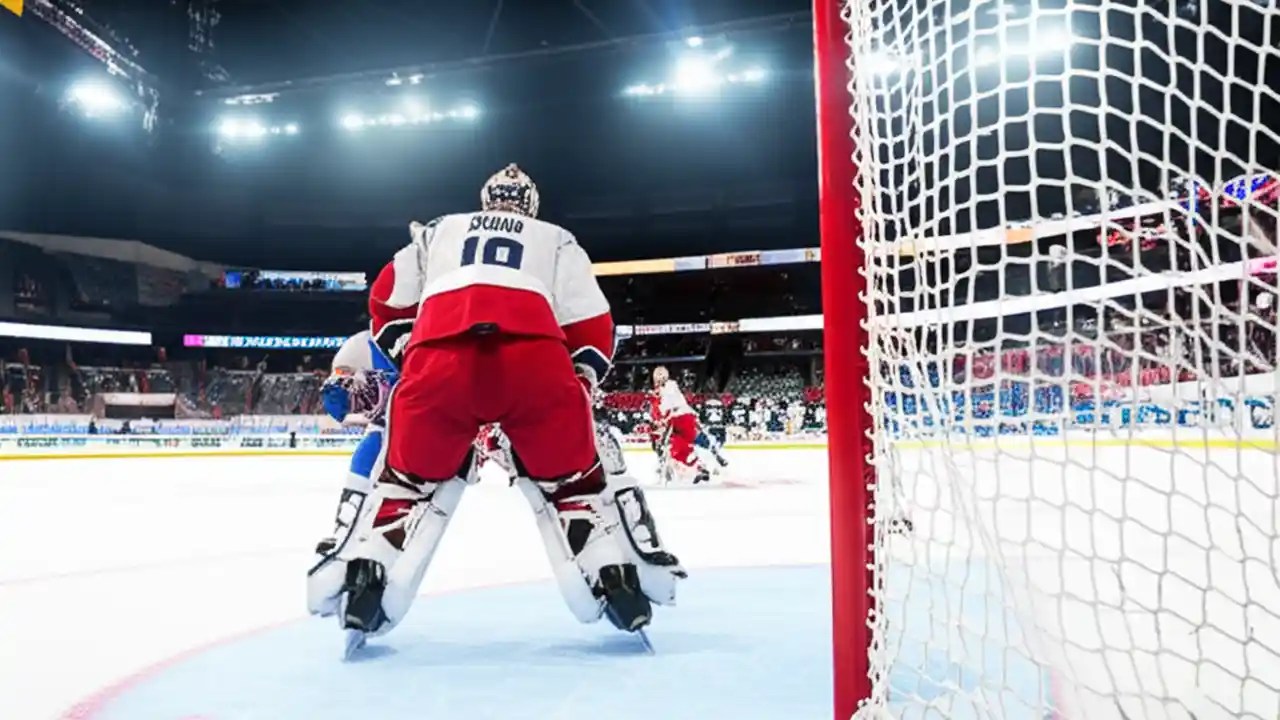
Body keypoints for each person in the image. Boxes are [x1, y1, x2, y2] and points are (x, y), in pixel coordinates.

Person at [337, 164, 683, 653]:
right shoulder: (556, 238)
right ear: (531, 205)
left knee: (405, 483)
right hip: (534, 362)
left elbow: (387, 302)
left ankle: (367, 576)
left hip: (441, 360)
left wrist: (414, 357)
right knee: (573, 486)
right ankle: (615, 578)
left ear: (485, 199)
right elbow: (593, 323)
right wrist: (577, 380)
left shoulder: (436, 231)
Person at [305, 329, 397, 620]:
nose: (364, 410)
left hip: (426, 420)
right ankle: (349, 536)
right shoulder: (357, 354)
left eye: (365, 399)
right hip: (397, 420)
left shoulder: (368, 350)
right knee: (364, 462)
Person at [650, 365, 710, 484]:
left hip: (678, 420)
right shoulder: (670, 387)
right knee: (681, 449)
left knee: (676, 449)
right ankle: (699, 467)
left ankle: (668, 471)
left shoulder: (667, 388)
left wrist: (661, 424)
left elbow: (665, 410)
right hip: (685, 419)